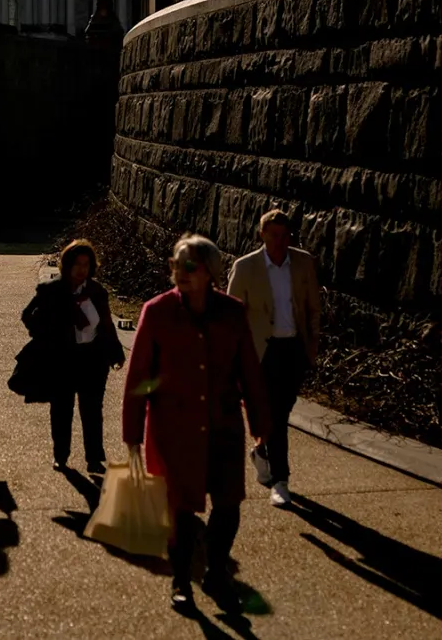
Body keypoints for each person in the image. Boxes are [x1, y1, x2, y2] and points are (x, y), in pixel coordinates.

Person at [123, 234, 268, 610]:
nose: (180, 272)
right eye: (176, 264)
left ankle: (216, 572)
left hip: (223, 427)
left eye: (189, 266)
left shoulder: (233, 313)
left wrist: (260, 425)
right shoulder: (157, 312)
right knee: (182, 510)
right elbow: (138, 376)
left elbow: (249, 373)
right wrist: (132, 435)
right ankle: (181, 580)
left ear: (210, 272)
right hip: (173, 430)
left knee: (228, 505)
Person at [226, 210, 324, 508]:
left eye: (284, 236)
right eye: (273, 236)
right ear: (262, 236)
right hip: (261, 352)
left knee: (282, 409)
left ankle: (263, 453)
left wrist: (311, 348)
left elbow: (312, 308)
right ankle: (281, 481)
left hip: (293, 349)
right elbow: (233, 316)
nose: (279, 242)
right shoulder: (246, 267)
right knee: (276, 416)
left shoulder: (303, 262)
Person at [21, 239, 124, 474]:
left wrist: (115, 351)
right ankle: (61, 456)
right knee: (61, 409)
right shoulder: (52, 291)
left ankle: (94, 458)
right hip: (62, 359)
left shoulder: (97, 292)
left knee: (92, 410)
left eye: (86, 265)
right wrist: (44, 335)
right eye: (77, 264)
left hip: (93, 360)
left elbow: (107, 325)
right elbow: (28, 315)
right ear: (67, 265)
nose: (81, 269)